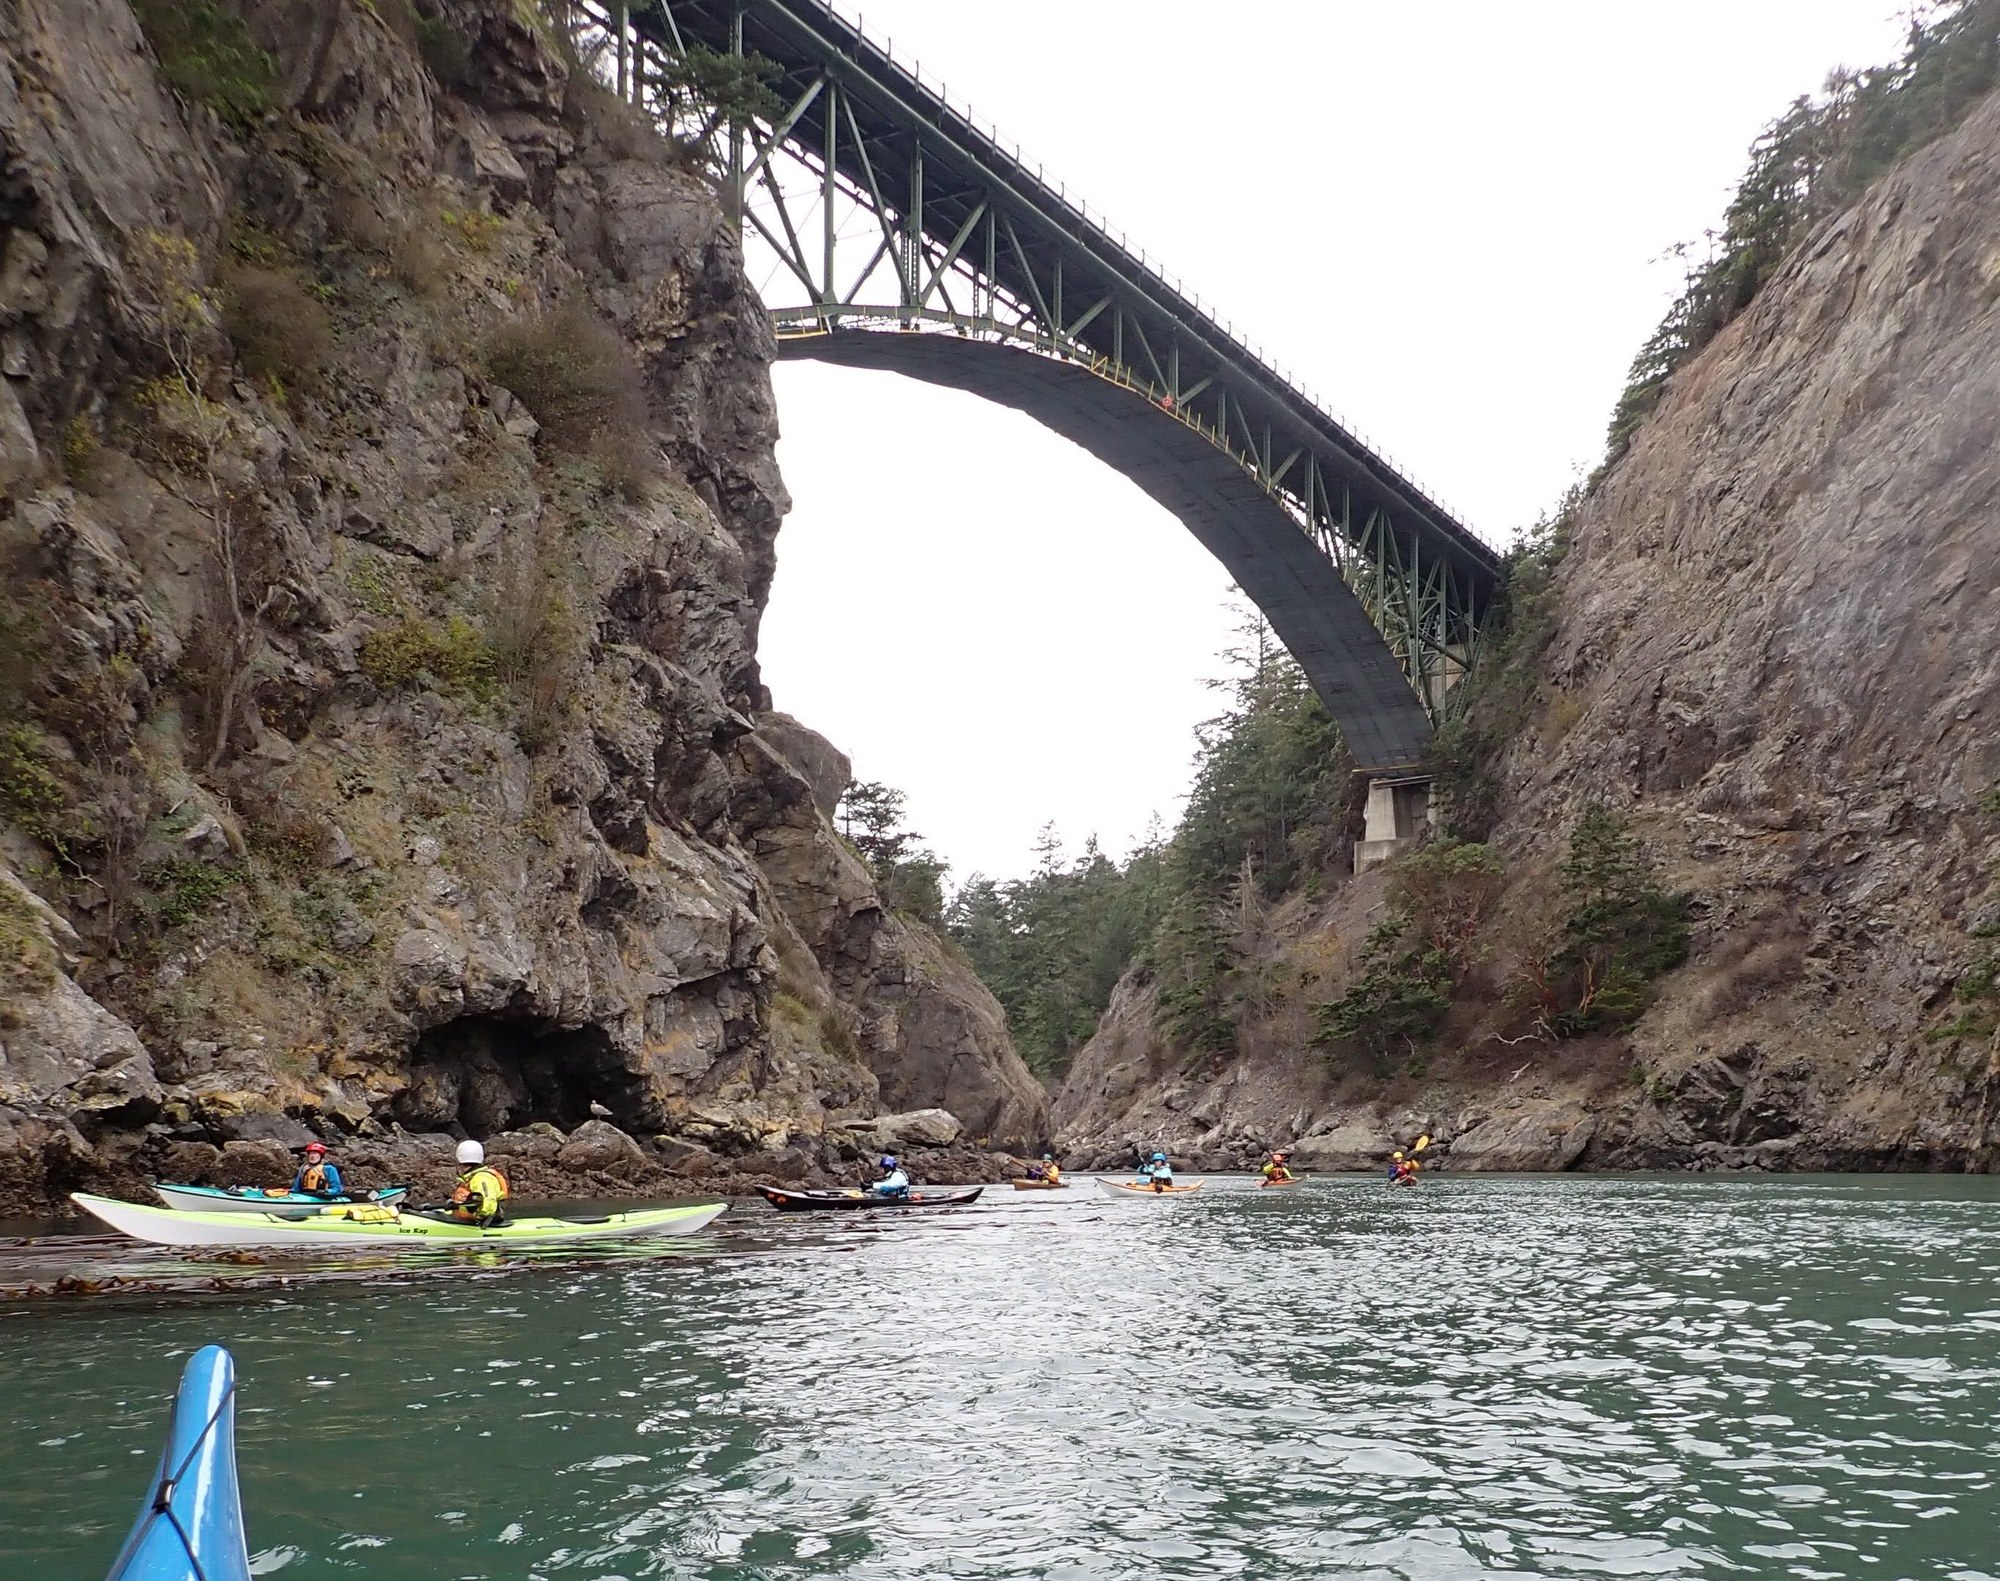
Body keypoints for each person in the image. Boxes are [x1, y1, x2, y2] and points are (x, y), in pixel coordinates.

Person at [448, 1139, 510, 1226]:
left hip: (480, 1224)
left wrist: (479, 1217)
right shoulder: (472, 1177)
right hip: (466, 1221)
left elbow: (488, 1204)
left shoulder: (481, 1178)